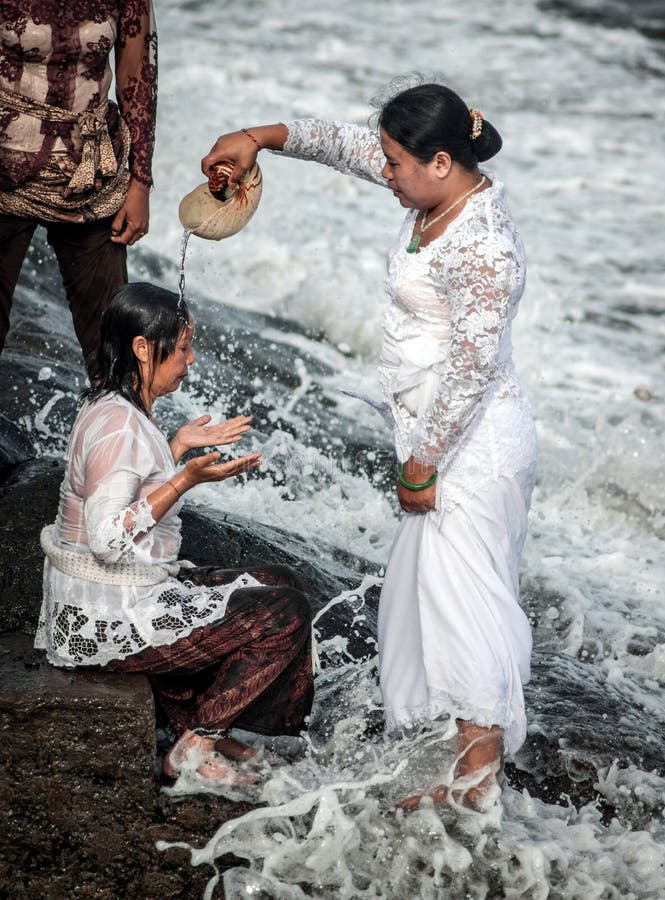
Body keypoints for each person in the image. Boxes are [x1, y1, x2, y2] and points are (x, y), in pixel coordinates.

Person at [201, 80, 538, 809]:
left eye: (394, 164)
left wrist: (423, 462)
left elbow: (473, 370)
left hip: (472, 450)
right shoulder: (431, 192)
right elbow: (344, 144)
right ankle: (467, 772)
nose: (382, 172)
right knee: (442, 605)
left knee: (467, 608)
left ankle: (476, 785)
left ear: (441, 162)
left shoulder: (486, 246)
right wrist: (259, 137)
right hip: (442, 439)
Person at [35, 282, 314, 785]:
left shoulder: (118, 406)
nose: (190, 359)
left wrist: (176, 446)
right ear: (143, 348)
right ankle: (193, 748)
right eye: (181, 347)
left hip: (118, 593)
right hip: (102, 615)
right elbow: (107, 538)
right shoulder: (118, 425)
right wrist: (185, 477)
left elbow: (131, 476)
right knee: (282, 613)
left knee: (281, 578)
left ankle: (207, 723)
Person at [0, 1, 158, 379]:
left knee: (115, 348)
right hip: (4, 173)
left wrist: (140, 184)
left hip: (91, 176)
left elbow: (137, 77)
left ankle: (118, 434)